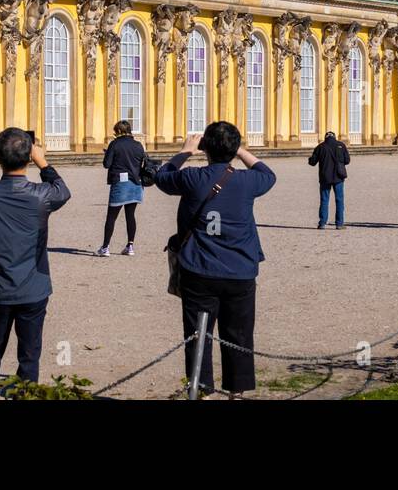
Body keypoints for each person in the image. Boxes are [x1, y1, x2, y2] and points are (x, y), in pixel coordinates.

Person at [153, 122, 276, 396]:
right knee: (239, 334)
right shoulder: (248, 181)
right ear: (234, 148)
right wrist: (242, 152)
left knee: (198, 336)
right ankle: (237, 391)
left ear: (205, 148)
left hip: (200, 270)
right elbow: (268, 173)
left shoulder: (192, 178)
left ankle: (201, 388)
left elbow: (162, 177)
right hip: (240, 270)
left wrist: (184, 151)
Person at [0, 128, 72, 399]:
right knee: (29, 356)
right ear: (28, 157)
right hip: (33, 287)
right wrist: (43, 162)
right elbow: (63, 191)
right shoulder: (42, 195)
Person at [97, 119, 146, 257]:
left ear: (118, 131)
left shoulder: (115, 144)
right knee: (130, 216)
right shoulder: (138, 145)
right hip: (136, 183)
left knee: (111, 217)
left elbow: (107, 164)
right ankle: (130, 246)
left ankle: (105, 247)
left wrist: (108, 153)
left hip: (120, 183)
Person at [308, 130, 350, 229]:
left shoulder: (320, 147)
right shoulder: (341, 145)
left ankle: (322, 223)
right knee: (339, 200)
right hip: (338, 177)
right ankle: (339, 223)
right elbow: (347, 160)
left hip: (325, 177)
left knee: (324, 200)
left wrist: (310, 159)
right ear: (334, 137)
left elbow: (312, 162)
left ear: (325, 137)